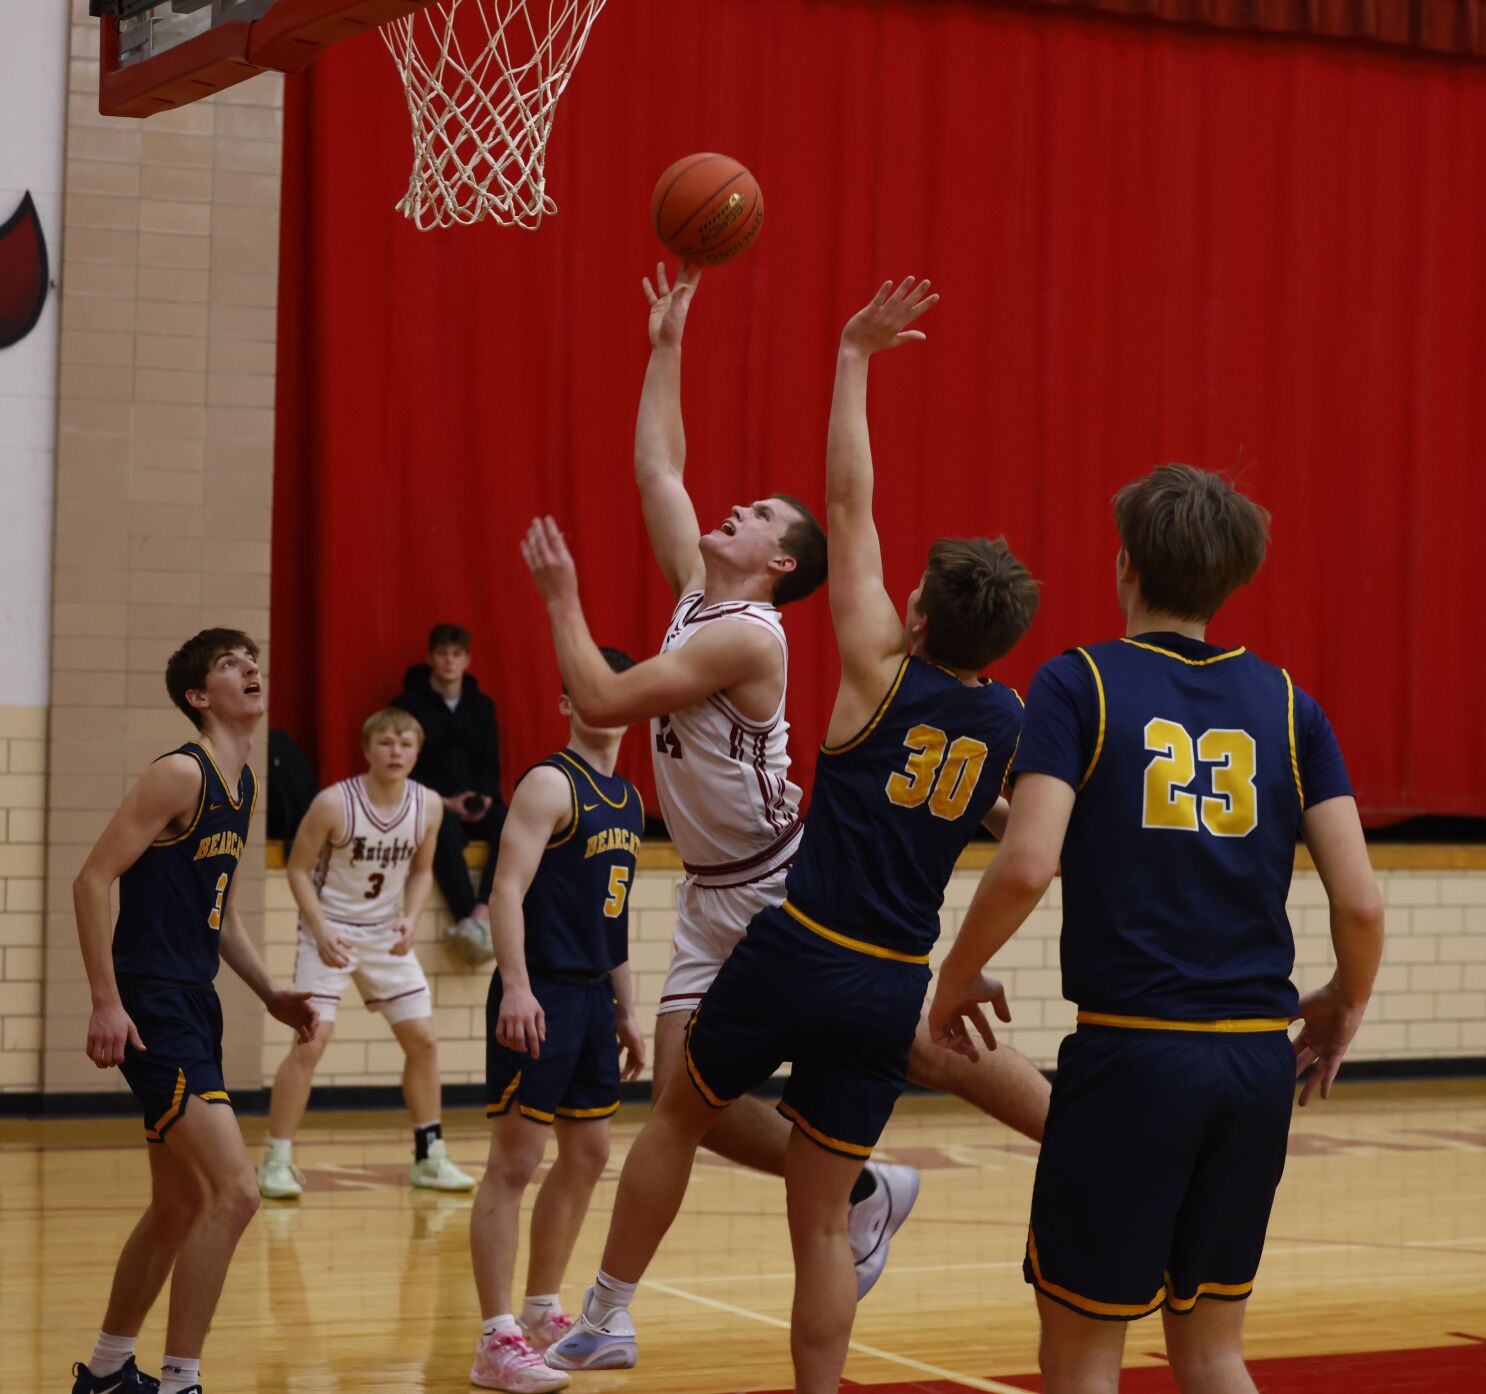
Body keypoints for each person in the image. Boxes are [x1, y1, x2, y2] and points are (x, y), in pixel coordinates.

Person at [541, 278, 1039, 1387]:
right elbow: (656, 470)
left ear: (781, 564)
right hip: (730, 895)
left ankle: (1072, 1134)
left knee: (864, 1056)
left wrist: (562, 598)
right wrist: (664, 345)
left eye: (763, 512)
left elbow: (604, 698)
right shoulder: (698, 592)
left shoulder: (762, 635)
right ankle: (864, 1192)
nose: (737, 508)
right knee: (708, 1097)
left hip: (777, 887)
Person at [929, 464, 1385, 1394]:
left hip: (1135, 1059)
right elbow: (1362, 899)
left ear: (1124, 563)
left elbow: (1026, 861)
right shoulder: (1294, 708)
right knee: (1214, 1352)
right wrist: (1345, 999)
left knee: (1085, 1351)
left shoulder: (1077, 682)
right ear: (1233, 579)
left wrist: (958, 971)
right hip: (1255, 1065)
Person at [69, 629, 318, 1394]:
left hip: (195, 1002)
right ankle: (181, 1382)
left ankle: (110, 1371)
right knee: (236, 1192)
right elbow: (90, 881)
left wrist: (269, 992)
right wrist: (105, 1001)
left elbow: (224, 913)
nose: (250, 669)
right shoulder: (182, 773)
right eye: (228, 664)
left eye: (252, 659)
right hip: (151, 1005)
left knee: (179, 1203)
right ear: (197, 697)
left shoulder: (241, 785)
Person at [466, 648, 647, 1393]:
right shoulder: (548, 782)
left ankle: (543, 1310)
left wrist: (629, 1008)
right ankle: (494, 1337)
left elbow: (615, 915)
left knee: (589, 1153)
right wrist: (514, 986)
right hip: (536, 988)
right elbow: (505, 889)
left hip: (590, 996)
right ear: (570, 703)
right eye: (589, 692)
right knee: (514, 1162)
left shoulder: (630, 799)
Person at [257, 707, 475, 1199]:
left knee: (423, 1040)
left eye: (405, 743)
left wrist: (411, 918)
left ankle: (429, 1155)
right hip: (328, 930)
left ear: (418, 752)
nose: (396, 751)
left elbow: (422, 871)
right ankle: (276, 1159)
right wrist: (320, 930)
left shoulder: (429, 806)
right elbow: (296, 871)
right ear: (367, 749)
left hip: (384, 933)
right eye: (386, 742)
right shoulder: (334, 803)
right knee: (311, 1043)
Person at [393, 623, 506, 963]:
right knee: (442, 829)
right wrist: (443, 801)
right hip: (432, 801)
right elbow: (403, 767)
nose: (449, 662)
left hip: (477, 800)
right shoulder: (407, 705)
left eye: (456, 655)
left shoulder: (482, 705)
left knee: (512, 824)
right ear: (430, 657)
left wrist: (485, 797)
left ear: (467, 660)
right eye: (442, 654)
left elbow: (491, 760)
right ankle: (467, 918)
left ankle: (481, 915)